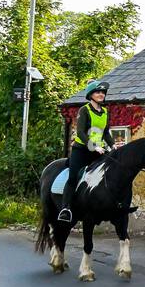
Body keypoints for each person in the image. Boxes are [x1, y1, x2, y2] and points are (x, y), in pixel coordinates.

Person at [58, 80, 112, 223]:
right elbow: (80, 133)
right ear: (91, 95)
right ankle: (66, 208)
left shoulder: (105, 112)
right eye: (98, 92)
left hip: (98, 151)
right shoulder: (84, 110)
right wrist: (94, 146)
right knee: (73, 177)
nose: (101, 94)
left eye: (102, 92)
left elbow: (106, 133)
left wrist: (113, 147)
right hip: (81, 150)